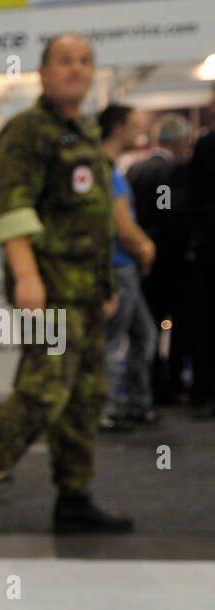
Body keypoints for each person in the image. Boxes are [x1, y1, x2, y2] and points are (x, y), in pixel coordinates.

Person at [0, 34, 130, 534]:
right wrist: (26, 275)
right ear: (43, 73)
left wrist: (107, 284)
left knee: (86, 398)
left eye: (86, 61)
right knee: (44, 392)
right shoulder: (27, 131)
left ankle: (74, 496)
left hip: (87, 291)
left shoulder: (84, 132)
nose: (77, 69)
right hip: (48, 289)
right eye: (65, 60)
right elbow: (12, 208)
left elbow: (96, 219)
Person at [96, 104, 158, 432]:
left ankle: (136, 404)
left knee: (142, 334)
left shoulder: (110, 172)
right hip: (118, 269)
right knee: (112, 339)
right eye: (134, 124)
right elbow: (123, 227)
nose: (140, 130)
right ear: (118, 128)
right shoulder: (106, 173)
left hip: (123, 268)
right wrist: (146, 247)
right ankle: (106, 410)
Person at [127, 116, 193, 407]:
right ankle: (168, 385)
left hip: (141, 261)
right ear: (181, 142)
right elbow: (171, 216)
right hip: (172, 262)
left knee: (146, 328)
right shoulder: (175, 171)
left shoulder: (135, 169)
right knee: (175, 327)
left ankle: (147, 386)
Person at [190, 88, 215, 419]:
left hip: (207, 246)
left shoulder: (206, 145)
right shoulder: (206, 145)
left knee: (206, 323)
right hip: (208, 247)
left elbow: (193, 200)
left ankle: (204, 392)